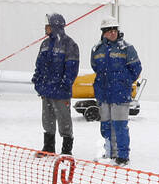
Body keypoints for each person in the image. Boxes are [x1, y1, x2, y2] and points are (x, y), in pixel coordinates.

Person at [89, 17, 141, 166]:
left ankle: (122, 155)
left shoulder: (127, 48)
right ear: (103, 32)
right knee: (106, 125)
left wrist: (123, 81)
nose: (113, 33)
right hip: (103, 93)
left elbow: (136, 68)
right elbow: (95, 67)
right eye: (109, 30)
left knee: (119, 125)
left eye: (115, 30)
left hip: (119, 93)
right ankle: (110, 152)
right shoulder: (96, 49)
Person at [31, 12, 79, 156]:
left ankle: (66, 149)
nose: (45, 28)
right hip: (46, 91)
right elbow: (39, 65)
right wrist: (37, 81)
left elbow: (72, 67)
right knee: (47, 120)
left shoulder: (69, 44)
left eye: (48, 25)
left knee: (64, 120)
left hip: (60, 93)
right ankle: (49, 147)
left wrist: (64, 84)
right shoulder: (45, 44)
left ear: (55, 26)